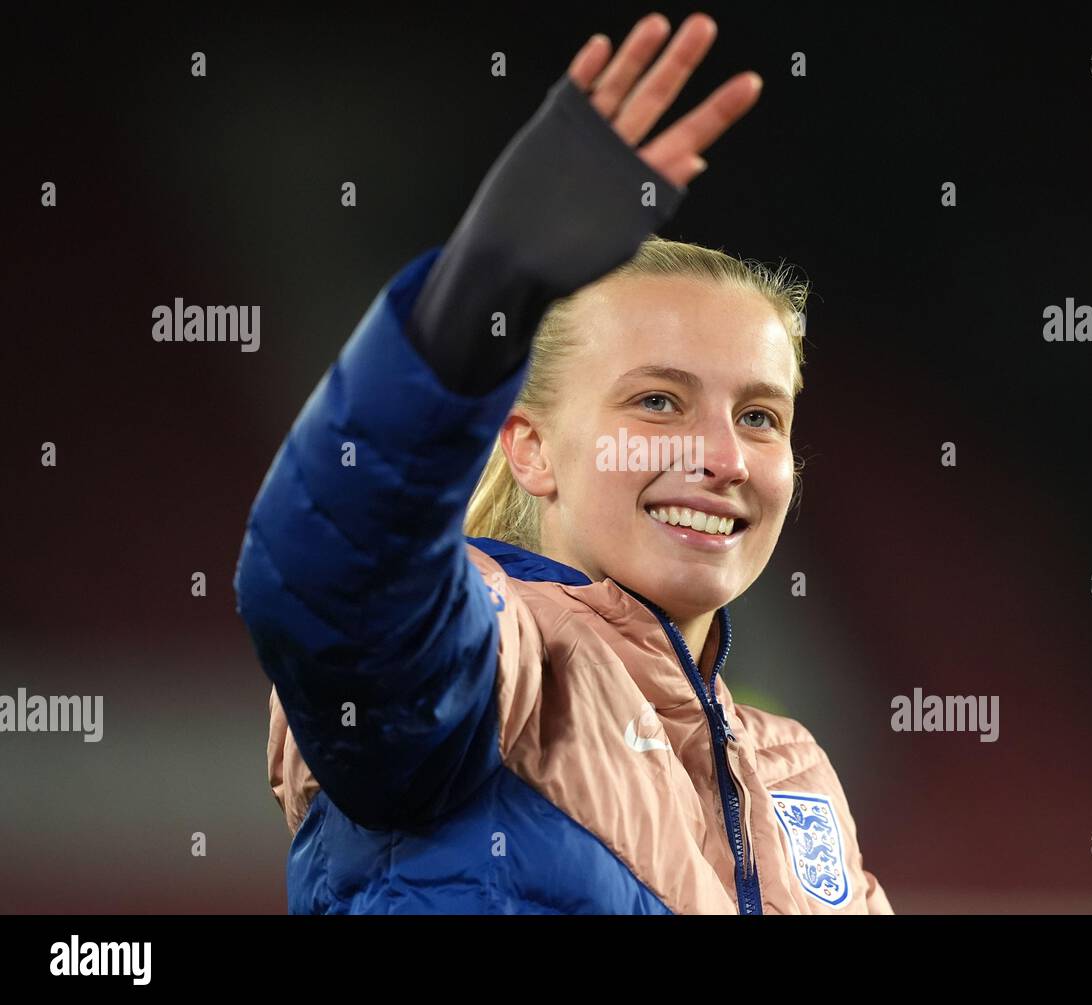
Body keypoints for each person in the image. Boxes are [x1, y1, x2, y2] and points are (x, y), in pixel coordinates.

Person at [236, 11, 894, 915]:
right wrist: (478, 292)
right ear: (531, 448)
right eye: (657, 401)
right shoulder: (491, 669)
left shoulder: (797, 771)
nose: (722, 455)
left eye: (758, 414)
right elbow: (331, 580)